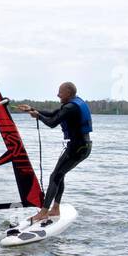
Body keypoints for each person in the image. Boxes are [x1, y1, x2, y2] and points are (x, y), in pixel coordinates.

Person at [15, 82, 92, 224]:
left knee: (55, 176)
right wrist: (31, 109)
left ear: (68, 93)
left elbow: (52, 122)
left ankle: (44, 212)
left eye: (60, 92)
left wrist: (38, 116)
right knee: (59, 175)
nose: (58, 95)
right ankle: (55, 208)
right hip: (82, 147)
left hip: (77, 148)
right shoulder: (73, 105)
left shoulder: (70, 107)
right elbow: (53, 113)